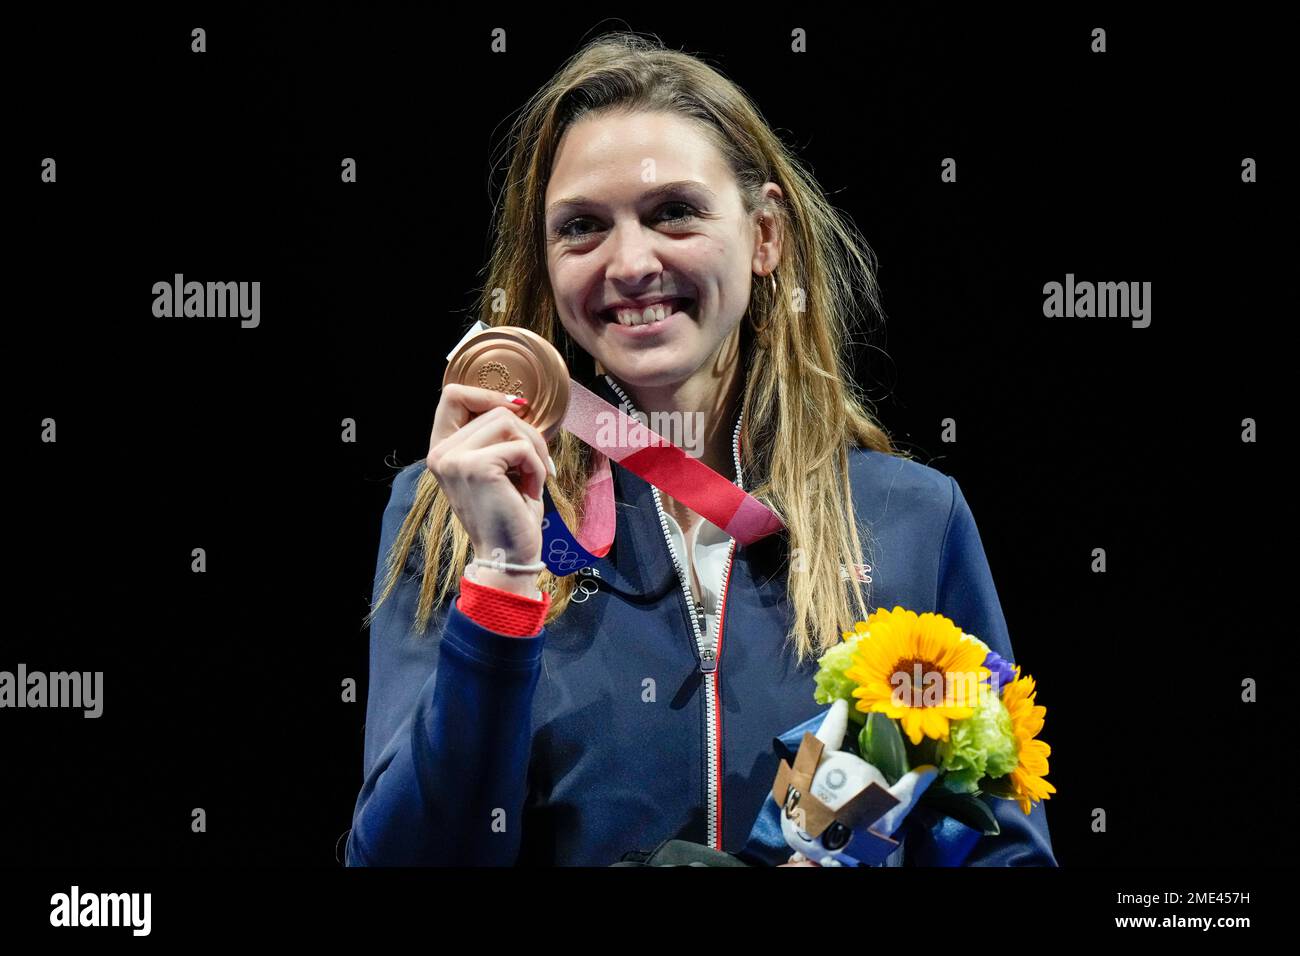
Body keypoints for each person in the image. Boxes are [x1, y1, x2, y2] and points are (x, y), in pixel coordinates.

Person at [344, 32, 1057, 867]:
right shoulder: (454, 513)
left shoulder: (911, 520)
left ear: (764, 237)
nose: (631, 262)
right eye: (582, 228)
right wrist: (503, 573)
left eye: (673, 213)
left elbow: (1004, 856)